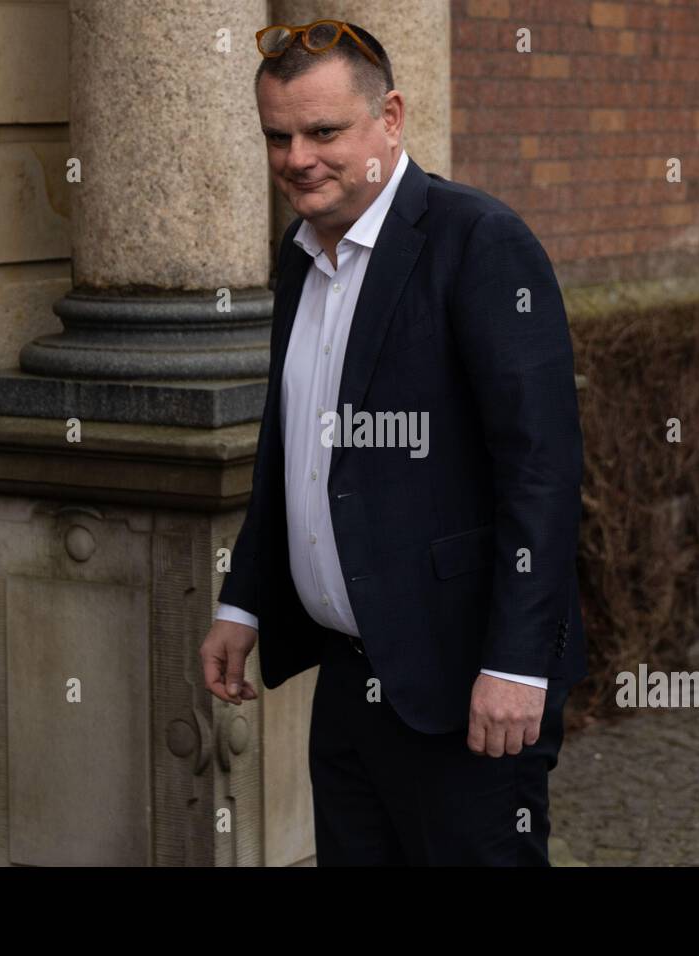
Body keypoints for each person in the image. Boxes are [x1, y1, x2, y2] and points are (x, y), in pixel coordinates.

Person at [199, 20, 587, 866]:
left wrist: (519, 665)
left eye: (324, 131)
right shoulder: (300, 258)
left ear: (393, 118)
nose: (297, 157)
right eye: (278, 135)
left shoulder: (479, 242)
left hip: (463, 685)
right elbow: (292, 448)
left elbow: (543, 473)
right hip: (348, 680)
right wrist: (245, 600)